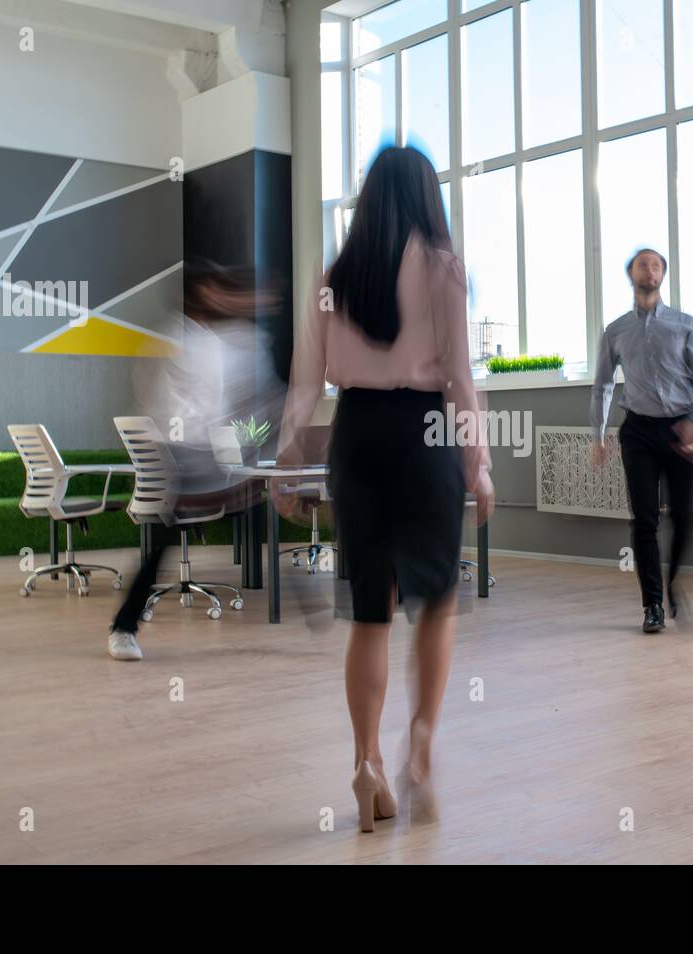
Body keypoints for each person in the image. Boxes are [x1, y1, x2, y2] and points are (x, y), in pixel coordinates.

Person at [277, 146, 494, 832]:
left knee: (370, 608)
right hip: (425, 432)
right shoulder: (442, 268)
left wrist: (287, 460)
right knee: (437, 601)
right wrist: (478, 463)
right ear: (427, 197)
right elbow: (459, 379)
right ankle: (421, 748)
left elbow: (306, 381)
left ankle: (366, 761)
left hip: (358, 435)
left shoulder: (332, 278)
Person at [107, 262, 282, 661]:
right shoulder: (174, 340)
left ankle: (261, 485)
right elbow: (159, 407)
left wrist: (253, 436)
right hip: (182, 457)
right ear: (201, 293)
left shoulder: (231, 341)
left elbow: (247, 403)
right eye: (219, 290)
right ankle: (123, 627)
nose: (228, 298)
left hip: (212, 458)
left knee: (262, 477)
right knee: (163, 543)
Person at [589, 248, 693, 634]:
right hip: (639, 433)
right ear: (630, 273)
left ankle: (675, 587)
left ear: (663, 274)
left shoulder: (685, 325)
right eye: (642, 263)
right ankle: (652, 606)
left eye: (656, 264)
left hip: (682, 431)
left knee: (685, 518)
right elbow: (602, 386)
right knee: (644, 521)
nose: (650, 269)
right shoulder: (615, 331)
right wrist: (598, 435)